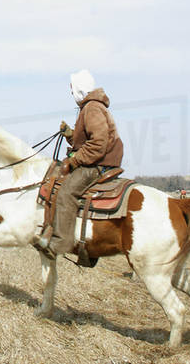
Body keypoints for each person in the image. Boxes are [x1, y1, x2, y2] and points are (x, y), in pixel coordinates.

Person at [37, 69, 124, 258]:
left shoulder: (92, 107)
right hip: (99, 160)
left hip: (99, 164)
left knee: (66, 192)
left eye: (72, 89)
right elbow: (86, 142)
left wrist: (74, 161)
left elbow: (98, 144)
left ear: (79, 90)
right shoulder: (91, 107)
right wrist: (70, 134)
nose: (71, 93)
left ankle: (61, 243)